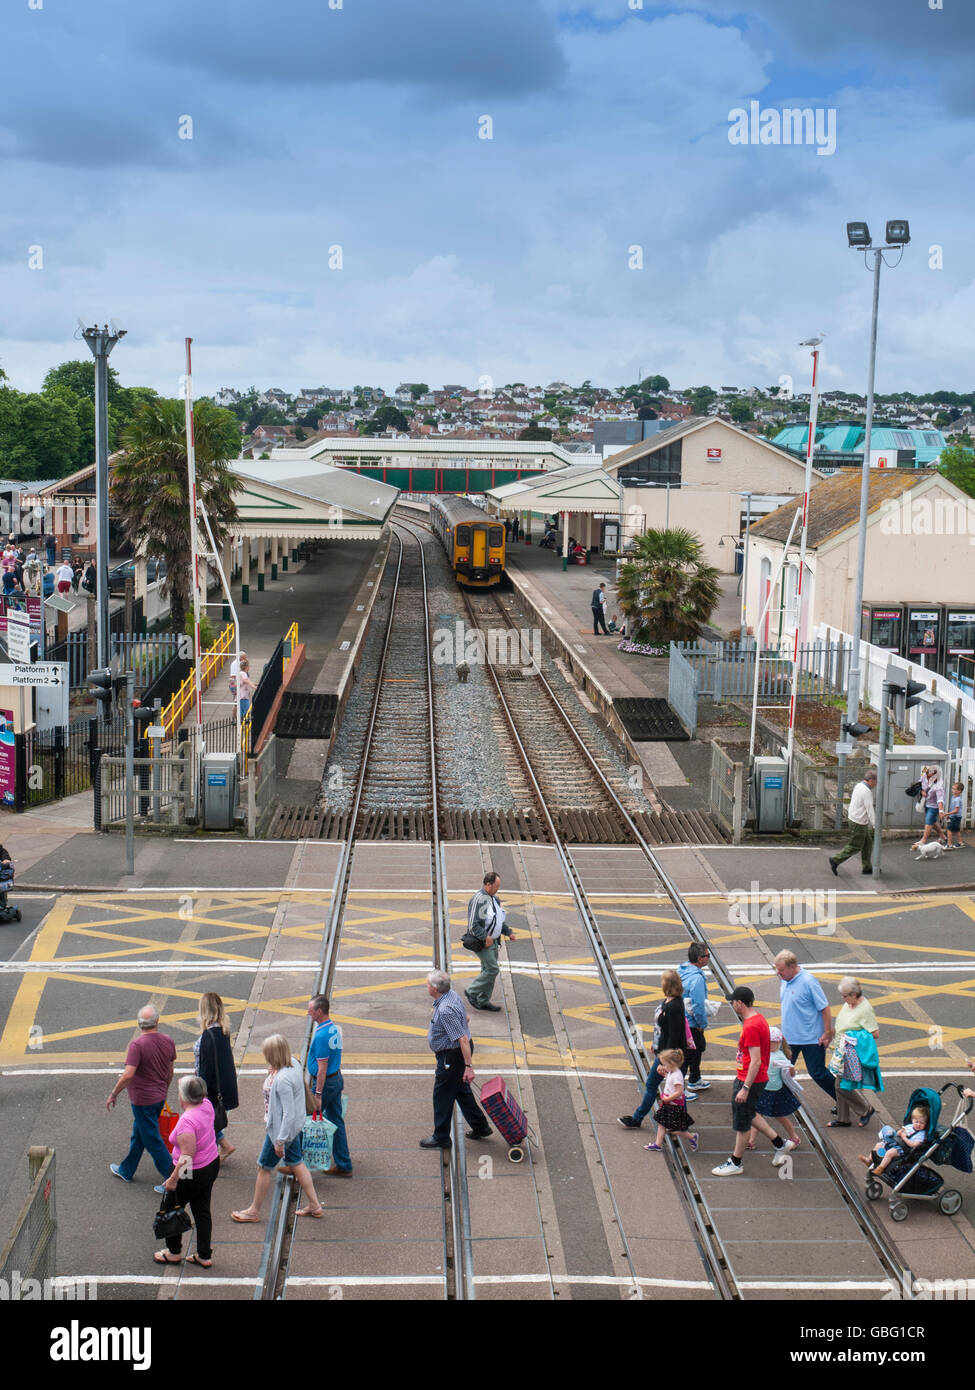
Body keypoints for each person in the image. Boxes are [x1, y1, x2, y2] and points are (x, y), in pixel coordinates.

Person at [231, 1034, 323, 1222]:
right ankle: (314, 1205)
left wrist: (279, 1141)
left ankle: (253, 1211)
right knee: (296, 1163)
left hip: (281, 1132)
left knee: (263, 1168)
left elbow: (287, 1114)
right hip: (295, 1127)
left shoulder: (282, 1081)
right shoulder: (294, 1064)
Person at [713, 985, 789, 1176]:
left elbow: (756, 1060)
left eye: (733, 1001)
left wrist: (745, 1087)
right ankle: (780, 1143)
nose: (732, 1004)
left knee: (742, 1122)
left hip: (749, 1080)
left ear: (740, 1003)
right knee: (749, 1113)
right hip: (751, 1077)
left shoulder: (751, 1026)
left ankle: (735, 1162)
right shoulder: (758, 1019)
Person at [107, 1004, 177, 1191]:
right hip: (159, 1096)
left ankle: (173, 1180)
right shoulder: (168, 1040)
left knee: (153, 1141)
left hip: (142, 1101)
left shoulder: (137, 1045)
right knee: (139, 1135)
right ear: (157, 1021)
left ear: (139, 1024)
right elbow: (170, 1071)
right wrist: (164, 1089)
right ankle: (126, 1170)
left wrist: (114, 1094)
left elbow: (128, 1074)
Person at [154, 1075, 221, 1267]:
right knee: (201, 1210)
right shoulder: (206, 1105)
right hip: (210, 1164)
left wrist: (173, 1179)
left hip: (189, 1171)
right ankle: (204, 1255)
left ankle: (174, 1252)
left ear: (183, 1097)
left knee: (171, 1209)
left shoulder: (187, 1122)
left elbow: (187, 1155)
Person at [420, 970, 491, 1149]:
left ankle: (441, 1137)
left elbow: (462, 1039)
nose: (426, 986)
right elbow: (465, 1018)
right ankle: (480, 1126)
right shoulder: (451, 995)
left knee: (442, 1095)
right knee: (460, 1090)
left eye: (428, 984)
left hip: (452, 1056)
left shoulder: (445, 1010)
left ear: (435, 989)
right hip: (455, 1054)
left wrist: (468, 1066)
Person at [619, 969, 694, 1128]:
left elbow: (673, 1036)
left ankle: (637, 1119)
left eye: (663, 980)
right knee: (675, 1087)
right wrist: (656, 1043)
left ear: (667, 984)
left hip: (669, 1057)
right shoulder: (671, 1000)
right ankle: (682, 1123)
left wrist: (663, 1061)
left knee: (653, 1085)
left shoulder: (674, 1006)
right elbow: (662, 1029)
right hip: (665, 1052)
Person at [775, 950, 836, 1103]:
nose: (778, 973)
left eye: (781, 969)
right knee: (781, 1071)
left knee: (818, 1073)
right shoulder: (785, 979)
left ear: (793, 966)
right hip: (789, 1038)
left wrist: (827, 1032)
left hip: (811, 1038)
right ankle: (779, 1102)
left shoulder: (809, 981)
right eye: (776, 969)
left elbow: (825, 1008)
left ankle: (844, 1101)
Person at [306, 994, 352, 1177]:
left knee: (304, 1118)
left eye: (311, 1010)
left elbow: (322, 1069)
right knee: (336, 1121)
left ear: (319, 1011)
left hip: (325, 1084)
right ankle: (344, 1164)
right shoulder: (333, 1029)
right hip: (336, 1080)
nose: (308, 1013)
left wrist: (317, 1094)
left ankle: (296, 1164)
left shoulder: (321, 1035)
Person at [827, 976, 881, 1128]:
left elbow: (875, 1033)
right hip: (841, 1050)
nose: (842, 999)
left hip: (851, 1052)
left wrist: (852, 1036)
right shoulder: (849, 1004)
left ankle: (865, 1109)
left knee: (840, 1085)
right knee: (840, 1082)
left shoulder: (865, 1009)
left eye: (845, 996)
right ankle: (843, 1118)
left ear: (853, 994)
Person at [194, 992, 239, 1160]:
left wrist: (199, 1093)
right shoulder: (223, 1030)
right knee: (209, 1121)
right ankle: (224, 1146)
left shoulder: (208, 1036)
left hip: (211, 1089)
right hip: (224, 1085)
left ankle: (208, 1158)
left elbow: (206, 1068)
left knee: (202, 1123)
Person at [464, 870, 515, 1012]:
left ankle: (483, 1000)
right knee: (492, 969)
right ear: (488, 885)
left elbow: (498, 920)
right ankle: (472, 991)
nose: (497, 889)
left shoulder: (494, 899)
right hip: (482, 943)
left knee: (487, 970)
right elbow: (473, 925)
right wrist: (485, 937)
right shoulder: (480, 900)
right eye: (496, 887)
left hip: (493, 942)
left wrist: (508, 932)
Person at [752, 1026, 802, 1161]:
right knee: (757, 1115)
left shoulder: (779, 1055)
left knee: (779, 1116)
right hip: (763, 1089)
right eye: (770, 1042)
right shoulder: (762, 1053)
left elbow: (790, 1074)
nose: (772, 1045)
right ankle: (751, 1140)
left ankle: (794, 1136)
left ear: (779, 1043)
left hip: (775, 1092)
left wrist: (790, 1068)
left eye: (775, 1043)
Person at [643, 1048, 698, 1154]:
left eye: (665, 1065)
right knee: (661, 1124)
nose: (664, 1067)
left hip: (674, 1106)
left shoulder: (677, 1075)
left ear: (672, 1064)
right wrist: (663, 1073)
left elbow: (679, 1092)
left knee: (674, 1129)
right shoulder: (672, 1072)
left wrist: (668, 1098)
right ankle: (657, 1144)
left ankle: (693, 1137)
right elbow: (669, 1080)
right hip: (669, 1104)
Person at [829, 768, 876, 876]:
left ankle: (867, 867)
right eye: (876, 781)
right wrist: (875, 825)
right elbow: (870, 810)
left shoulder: (859, 785)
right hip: (858, 822)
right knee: (855, 846)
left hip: (856, 819)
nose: (876, 784)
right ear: (871, 780)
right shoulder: (867, 791)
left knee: (867, 844)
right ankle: (835, 859)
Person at [860, 1104, 929, 1175]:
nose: (918, 1124)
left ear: (926, 1124)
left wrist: (904, 1138)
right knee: (879, 1145)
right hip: (896, 1142)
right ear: (912, 1120)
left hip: (903, 1149)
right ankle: (869, 1159)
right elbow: (901, 1131)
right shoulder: (909, 1126)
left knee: (889, 1153)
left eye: (921, 1123)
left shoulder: (921, 1134)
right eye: (916, 1122)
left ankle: (881, 1168)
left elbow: (914, 1145)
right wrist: (899, 1132)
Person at [678, 943, 712, 1091]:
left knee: (696, 1051)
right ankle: (679, 1089)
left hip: (681, 1019)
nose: (709, 958)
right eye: (707, 956)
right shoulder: (697, 979)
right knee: (689, 1055)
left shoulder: (682, 969)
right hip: (692, 1024)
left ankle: (695, 1078)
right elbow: (698, 1006)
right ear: (700, 958)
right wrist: (702, 1024)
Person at [913, 767, 946, 850]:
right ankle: (943, 837)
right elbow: (919, 785)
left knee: (928, 821)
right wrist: (921, 792)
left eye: (931, 776)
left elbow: (940, 799)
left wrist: (941, 811)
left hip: (934, 806)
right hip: (927, 803)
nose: (928, 777)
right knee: (933, 822)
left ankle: (923, 840)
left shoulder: (939, 785)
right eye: (928, 775)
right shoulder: (924, 776)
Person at [945, 782, 965, 849]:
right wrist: (949, 815)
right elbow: (953, 808)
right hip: (954, 817)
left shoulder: (957, 800)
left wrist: (947, 813)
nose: (952, 790)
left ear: (959, 791)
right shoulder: (953, 797)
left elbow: (956, 810)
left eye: (954, 789)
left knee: (949, 829)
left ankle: (949, 844)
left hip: (956, 817)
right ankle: (960, 843)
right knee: (956, 830)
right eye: (952, 788)